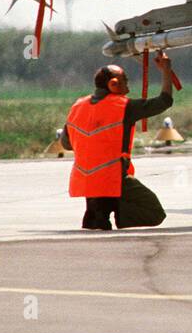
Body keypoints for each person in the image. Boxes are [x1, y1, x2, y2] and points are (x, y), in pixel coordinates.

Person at [62, 54, 175, 230]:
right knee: (155, 212)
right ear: (113, 84)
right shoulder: (123, 107)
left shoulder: (78, 106)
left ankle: (98, 212)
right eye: (125, 82)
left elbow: (66, 144)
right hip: (113, 177)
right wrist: (166, 71)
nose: (128, 88)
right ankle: (118, 211)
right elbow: (164, 101)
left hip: (86, 180)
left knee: (97, 221)